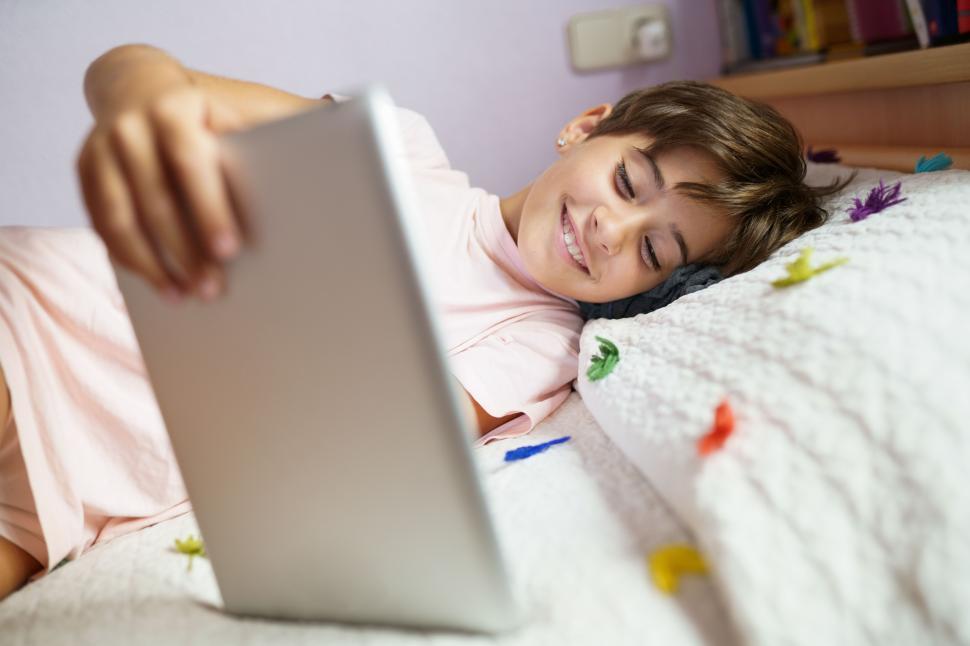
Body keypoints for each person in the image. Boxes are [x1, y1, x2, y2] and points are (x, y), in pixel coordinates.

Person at [0, 44, 848, 600]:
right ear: (586, 128)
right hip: (41, 317)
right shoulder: (398, 147)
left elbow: (379, 437)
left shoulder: (541, 344)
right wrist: (144, 103)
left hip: (74, 501)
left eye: (655, 251)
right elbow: (140, 70)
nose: (608, 230)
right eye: (628, 185)